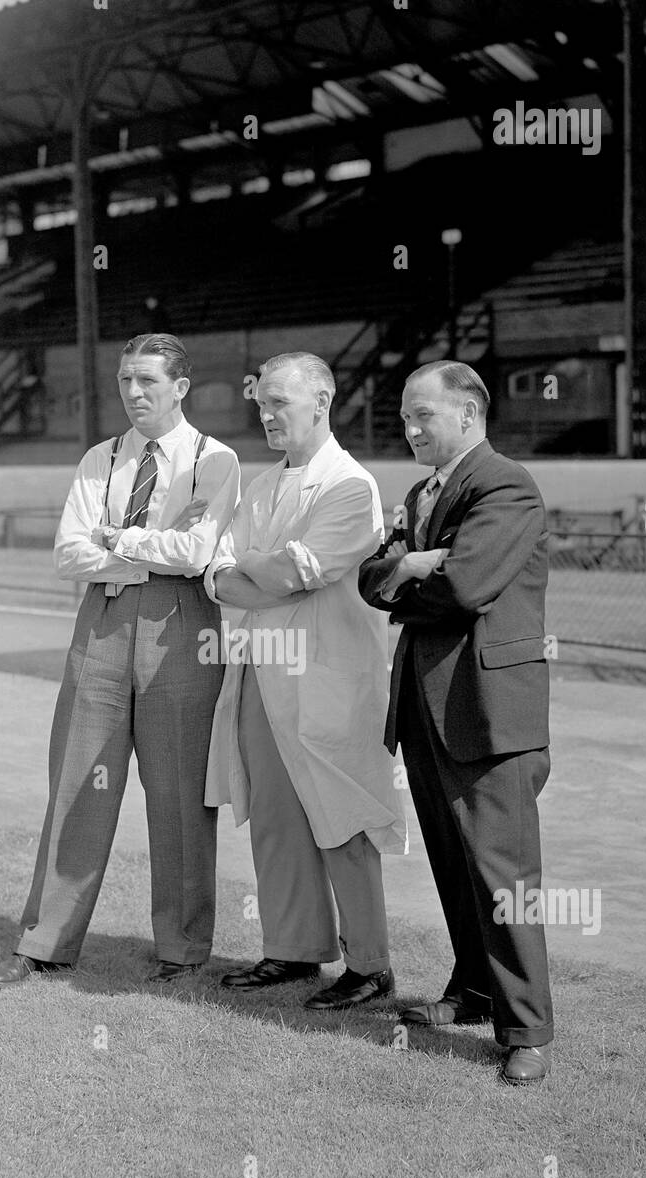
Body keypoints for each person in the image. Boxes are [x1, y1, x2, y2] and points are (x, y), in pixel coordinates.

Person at [0, 333, 241, 988]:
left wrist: (119, 538)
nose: (133, 392)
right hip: (99, 623)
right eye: (125, 380)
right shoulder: (103, 456)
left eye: (147, 381)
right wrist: (145, 548)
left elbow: (194, 552)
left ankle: (181, 950)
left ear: (179, 387)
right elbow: (70, 554)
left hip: (178, 626)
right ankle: (43, 941)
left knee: (179, 790)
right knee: (74, 779)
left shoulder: (215, 460)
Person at [359, 360, 553, 1084]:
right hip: (429, 711)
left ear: (469, 414)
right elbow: (368, 579)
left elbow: (468, 585)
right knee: (453, 864)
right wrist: (415, 564)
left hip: (488, 714)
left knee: (504, 875)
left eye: (423, 416)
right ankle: (473, 992)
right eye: (405, 417)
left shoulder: (504, 483)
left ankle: (527, 1029)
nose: (410, 429)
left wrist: (414, 569)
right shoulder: (421, 492)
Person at [204, 351, 407, 1010]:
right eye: (260, 403)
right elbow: (218, 574)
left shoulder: (352, 486)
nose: (265, 414)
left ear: (321, 403)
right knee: (275, 815)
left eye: (278, 403)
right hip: (262, 675)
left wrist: (254, 573)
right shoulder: (261, 489)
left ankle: (370, 965)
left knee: (341, 818)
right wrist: (264, 572)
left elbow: (300, 570)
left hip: (327, 679)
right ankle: (292, 950)